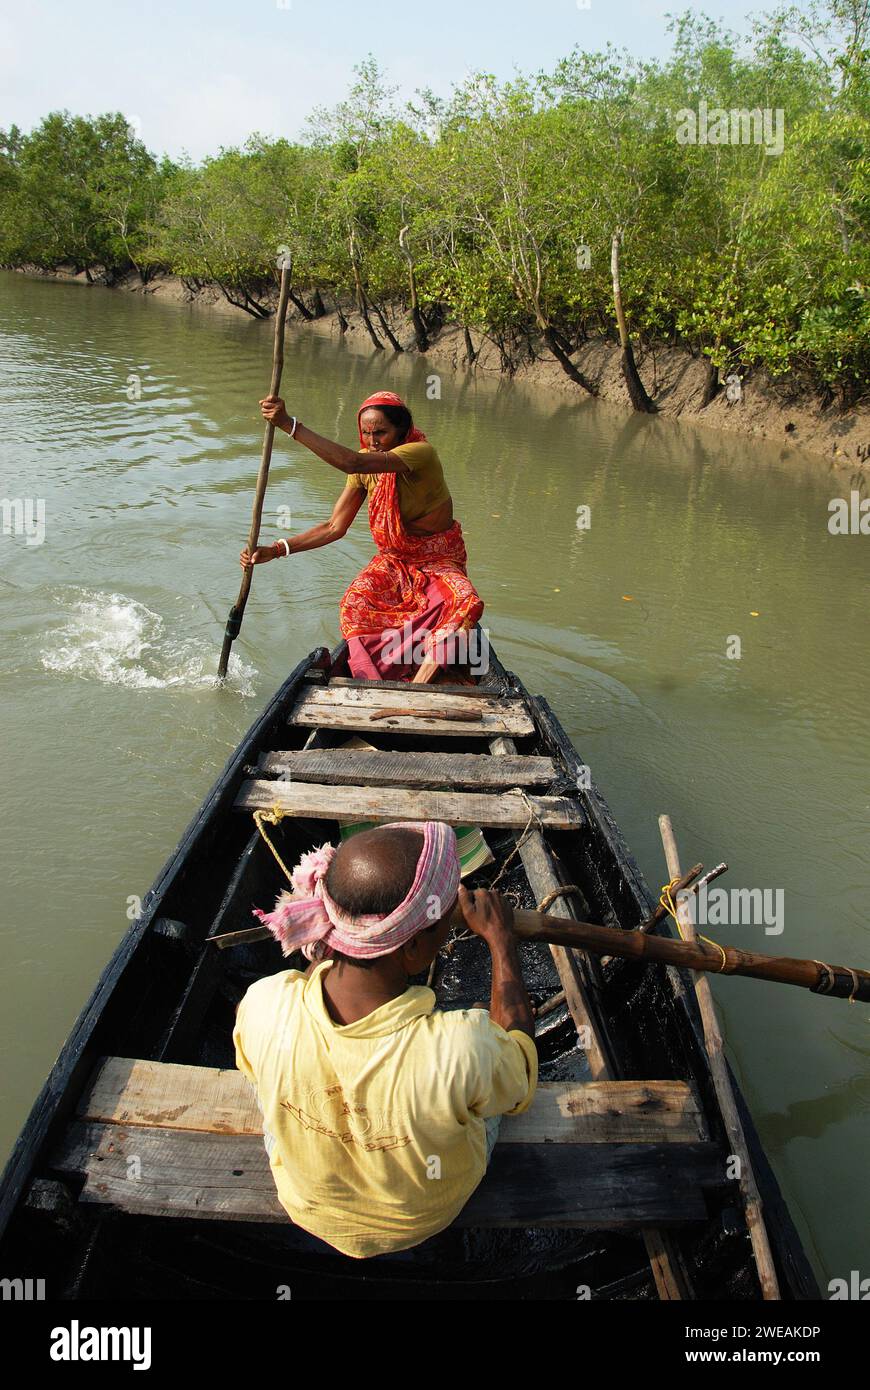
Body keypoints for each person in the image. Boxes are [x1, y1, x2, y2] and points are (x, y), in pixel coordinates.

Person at [233, 821, 537, 1260]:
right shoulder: (463, 1046)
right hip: (423, 1215)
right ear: (412, 951)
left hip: (306, 1204)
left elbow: (254, 1071)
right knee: (499, 1085)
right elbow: (523, 1076)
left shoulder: (263, 1003)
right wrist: (501, 942)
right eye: (443, 920)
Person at [239, 390, 484, 683]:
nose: (373, 441)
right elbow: (334, 526)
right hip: (395, 561)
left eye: (381, 432)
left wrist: (290, 425)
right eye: (366, 433)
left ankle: (417, 688)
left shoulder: (419, 453)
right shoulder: (366, 466)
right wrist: (277, 549)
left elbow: (352, 461)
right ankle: (371, 681)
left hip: (437, 559)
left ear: (402, 431)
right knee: (355, 601)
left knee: (463, 599)